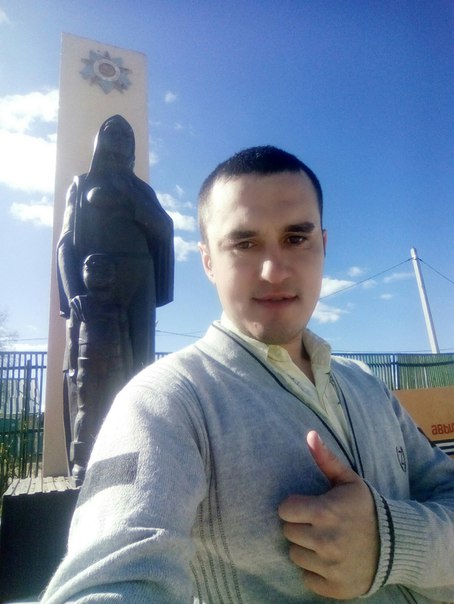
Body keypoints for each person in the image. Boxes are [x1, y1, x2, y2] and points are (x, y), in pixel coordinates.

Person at [43, 146, 454, 603]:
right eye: (244, 243)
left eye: (296, 238)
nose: (274, 271)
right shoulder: (164, 402)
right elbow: (110, 578)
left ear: (323, 245)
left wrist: (392, 542)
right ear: (207, 261)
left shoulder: (366, 385)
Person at [57, 115, 174, 482]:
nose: (121, 138)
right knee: (89, 371)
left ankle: (137, 449)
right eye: (113, 133)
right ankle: (86, 458)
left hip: (140, 281)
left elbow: (164, 228)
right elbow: (65, 244)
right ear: (100, 141)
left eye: (127, 135)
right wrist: (73, 293)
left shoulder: (141, 189)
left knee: (139, 365)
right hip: (96, 283)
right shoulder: (83, 184)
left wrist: (132, 198)